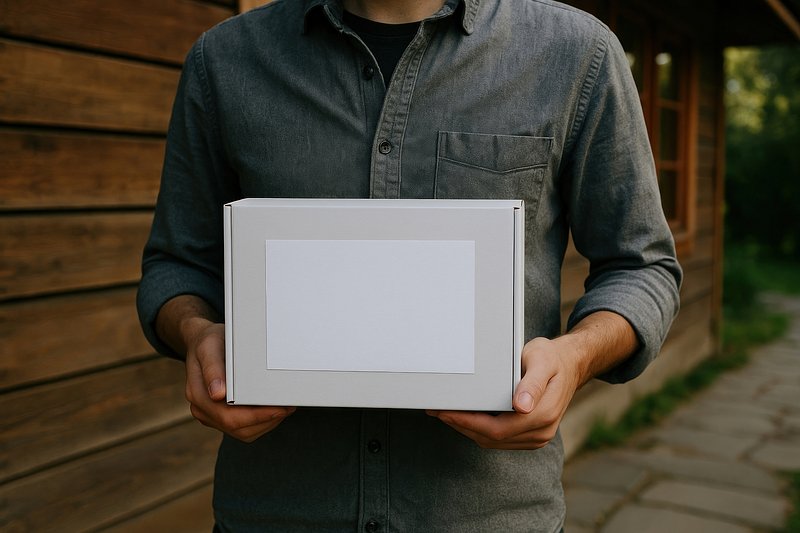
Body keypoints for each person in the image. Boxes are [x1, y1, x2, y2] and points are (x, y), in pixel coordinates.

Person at [137, 0, 682, 530]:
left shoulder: (576, 55)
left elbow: (642, 266)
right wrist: (195, 333)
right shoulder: (225, 60)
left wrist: (577, 356)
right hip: (275, 512)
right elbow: (176, 266)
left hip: (491, 517)